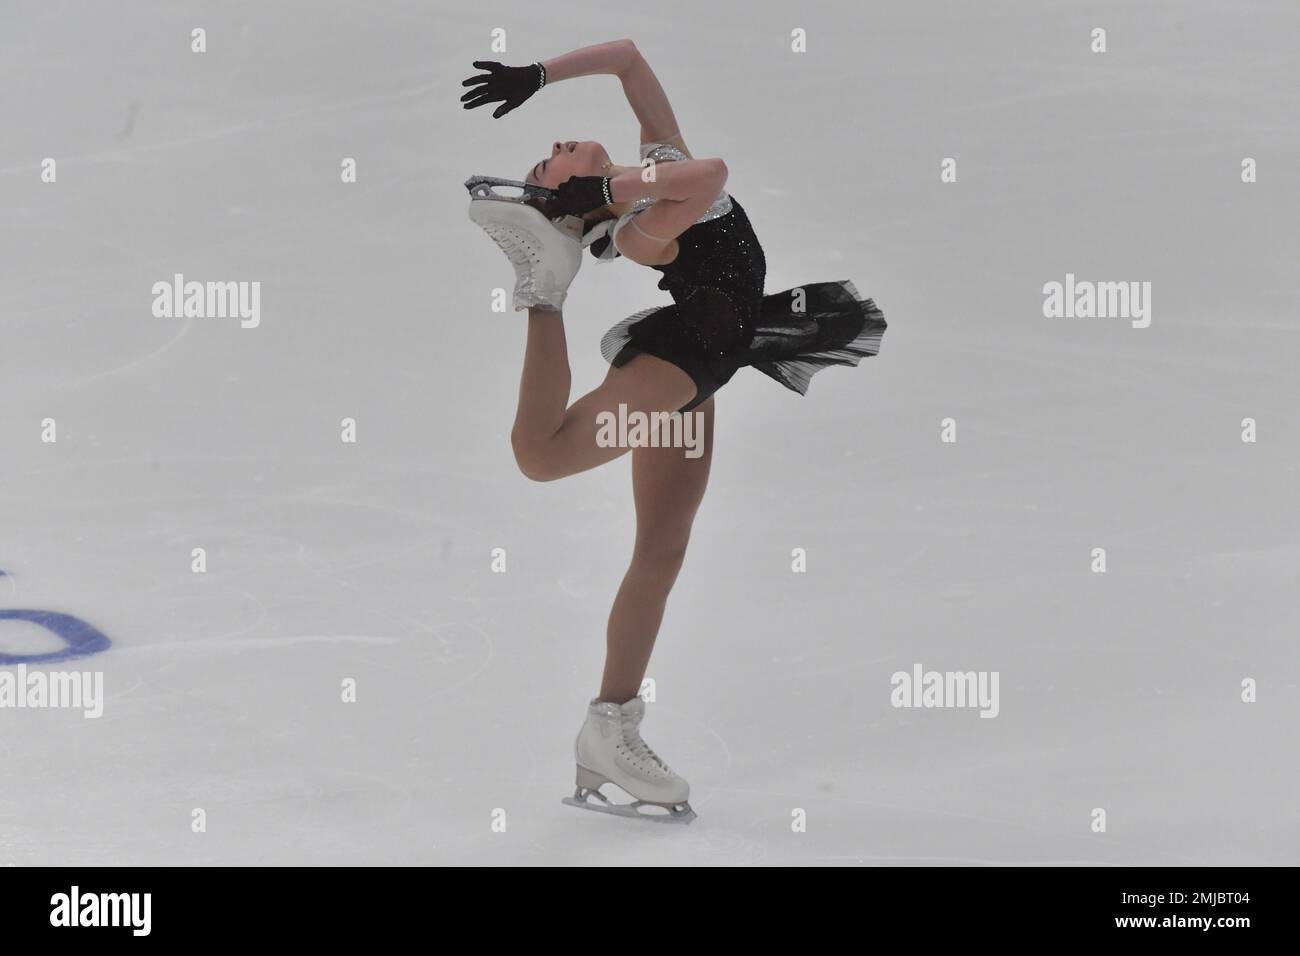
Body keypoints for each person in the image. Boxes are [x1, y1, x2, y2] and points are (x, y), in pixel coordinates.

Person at [461, 39, 886, 823]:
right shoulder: (636, 231)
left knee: (662, 549)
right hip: (676, 368)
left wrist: (540, 75)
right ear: (573, 203)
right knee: (541, 456)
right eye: (548, 168)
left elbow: (627, 58)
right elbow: (709, 177)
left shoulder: (649, 172)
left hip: (705, 376)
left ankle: (608, 729)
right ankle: (542, 288)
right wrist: (608, 187)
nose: (554, 147)